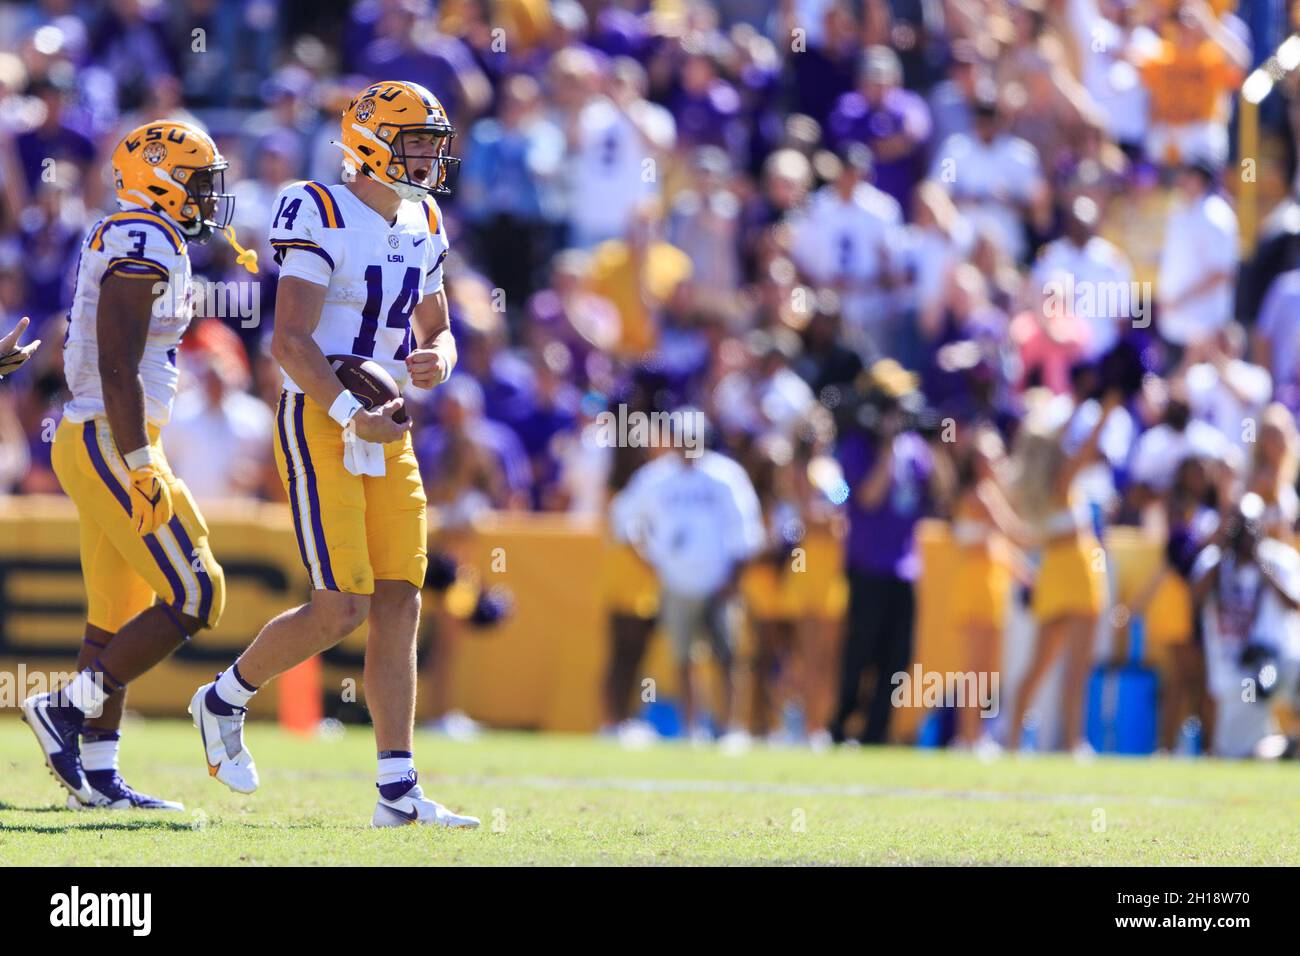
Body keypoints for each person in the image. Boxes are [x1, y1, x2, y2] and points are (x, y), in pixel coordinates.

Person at [189, 81, 478, 829]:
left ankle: (397, 790)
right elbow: (288, 342)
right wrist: (352, 411)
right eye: (415, 140)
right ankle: (223, 698)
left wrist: (438, 360)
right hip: (324, 414)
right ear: (372, 141)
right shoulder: (316, 205)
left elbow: (439, 328)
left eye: (431, 142)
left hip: (388, 418)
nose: (429, 156)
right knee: (341, 606)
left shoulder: (426, 215)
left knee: (401, 597)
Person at [20, 121, 242, 810]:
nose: (209, 196)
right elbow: (117, 364)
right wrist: (142, 463)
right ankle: (63, 708)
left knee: (120, 612)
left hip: (111, 433)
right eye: (199, 181)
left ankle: (100, 774)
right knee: (199, 592)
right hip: (109, 436)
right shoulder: (143, 236)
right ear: (161, 176)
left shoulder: (139, 232)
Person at [611, 414, 764, 745]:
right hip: (677, 581)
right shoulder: (656, 477)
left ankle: (732, 729)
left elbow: (747, 528)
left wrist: (734, 579)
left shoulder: (725, 475)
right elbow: (623, 519)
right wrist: (648, 561)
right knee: (685, 657)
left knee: (728, 656)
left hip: (719, 581)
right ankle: (692, 728)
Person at [1006, 390, 1120, 754]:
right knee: (1076, 667)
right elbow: (1087, 446)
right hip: (1078, 568)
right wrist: (1106, 405)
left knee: (1040, 664)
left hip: (1056, 570)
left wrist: (1087, 398)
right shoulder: (1063, 478)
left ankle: (1012, 741)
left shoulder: (1034, 484)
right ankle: (1072, 742)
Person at [1191, 494, 1300, 758]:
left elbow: (1294, 604)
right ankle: (1279, 748)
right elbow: (1195, 601)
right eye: (1239, 527)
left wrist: (1261, 564)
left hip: (1280, 665)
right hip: (1242, 677)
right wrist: (1223, 549)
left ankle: (1285, 745)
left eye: (1250, 527)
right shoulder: (1214, 562)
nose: (1245, 535)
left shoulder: (1278, 559)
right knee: (1238, 755)